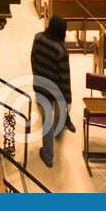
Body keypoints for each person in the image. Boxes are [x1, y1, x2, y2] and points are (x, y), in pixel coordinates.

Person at [30, 15, 74, 168]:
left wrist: (36, 76)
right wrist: (68, 98)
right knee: (59, 113)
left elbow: (33, 59)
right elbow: (64, 77)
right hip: (55, 89)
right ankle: (59, 130)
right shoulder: (61, 51)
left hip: (41, 85)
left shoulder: (38, 38)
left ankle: (48, 155)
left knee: (46, 121)